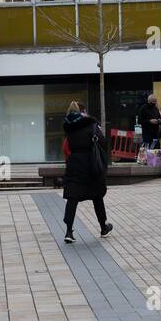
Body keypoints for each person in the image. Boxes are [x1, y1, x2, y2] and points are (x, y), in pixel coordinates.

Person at [62, 101, 111, 242]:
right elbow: (102, 142)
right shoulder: (91, 124)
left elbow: (68, 146)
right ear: (83, 112)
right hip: (91, 164)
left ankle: (68, 232)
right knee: (97, 196)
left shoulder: (68, 127)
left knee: (72, 198)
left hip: (74, 164)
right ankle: (103, 227)